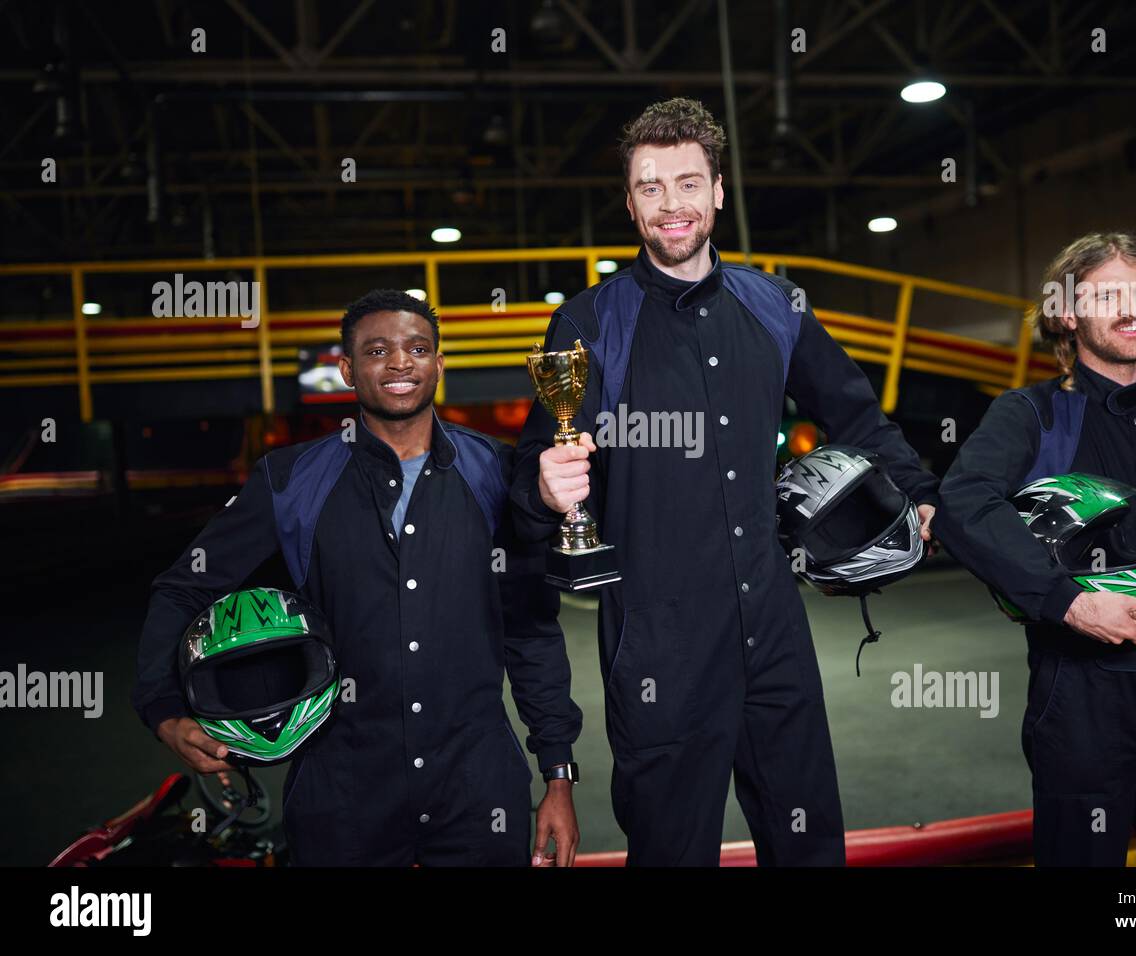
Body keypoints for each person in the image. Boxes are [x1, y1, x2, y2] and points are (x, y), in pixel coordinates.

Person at [510, 98, 939, 866]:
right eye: (649, 187)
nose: (670, 205)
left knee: (809, 846)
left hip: (774, 627)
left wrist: (922, 494)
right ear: (630, 200)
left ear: (717, 190)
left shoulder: (774, 304)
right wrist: (546, 489)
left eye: (686, 183)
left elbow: (857, 416)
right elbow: (533, 474)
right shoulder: (587, 324)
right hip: (658, 646)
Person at [132, 289, 583, 866]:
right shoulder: (290, 480)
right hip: (341, 793)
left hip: (476, 787)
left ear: (439, 365)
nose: (400, 363)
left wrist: (558, 775)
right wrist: (164, 709)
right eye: (377, 351)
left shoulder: (497, 472)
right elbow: (183, 587)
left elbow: (530, 632)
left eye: (418, 348)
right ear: (346, 369)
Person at [935, 233, 1136, 866]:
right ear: (1065, 313)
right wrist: (1072, 604)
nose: (1131, 307)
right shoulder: (1029, 416)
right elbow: (962, 505)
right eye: (1108, 294)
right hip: (1082, 696)